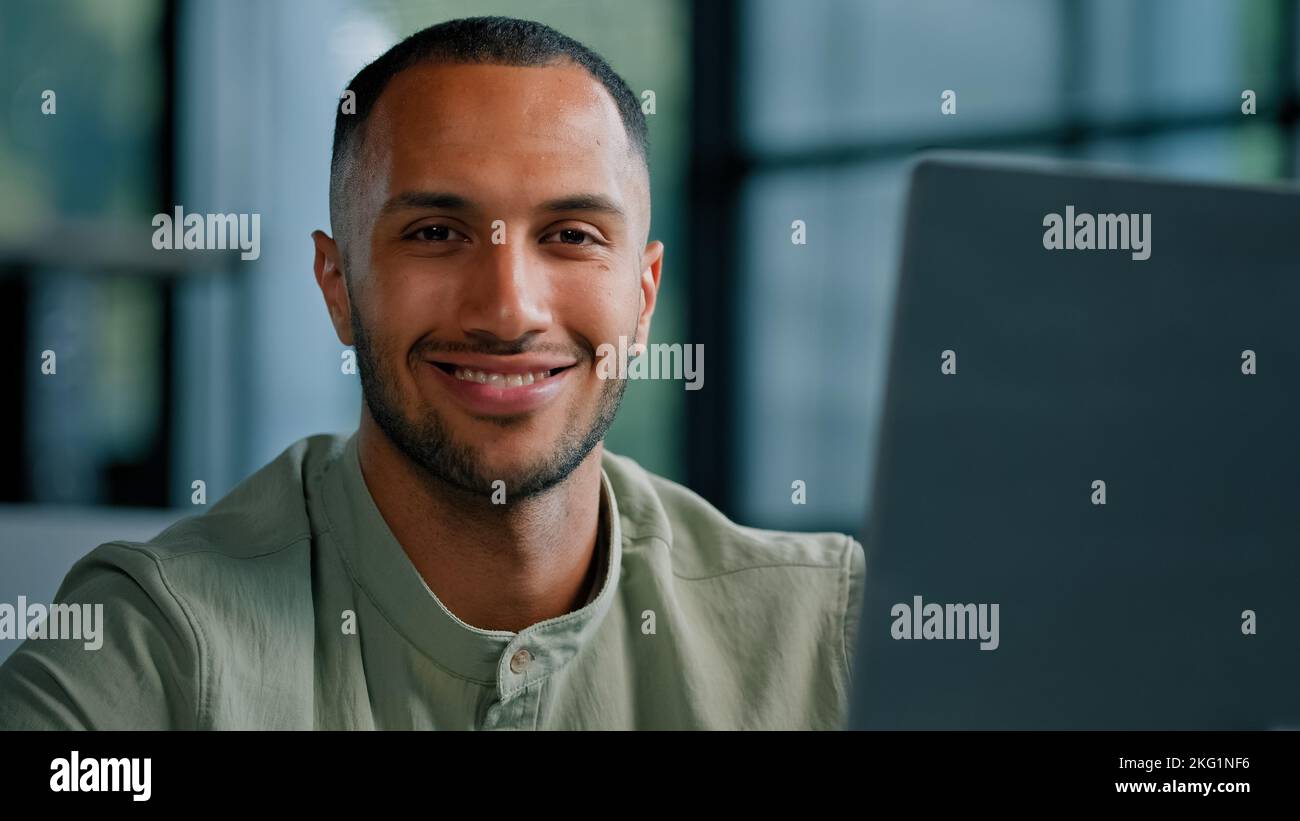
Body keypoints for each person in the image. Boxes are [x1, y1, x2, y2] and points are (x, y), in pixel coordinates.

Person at [0, 15, 864, 730]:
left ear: (644, 301)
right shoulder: (157, 648)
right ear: (339, 288)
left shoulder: (828, 632)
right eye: (436, 234)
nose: (509, 309)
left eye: (570, 235)